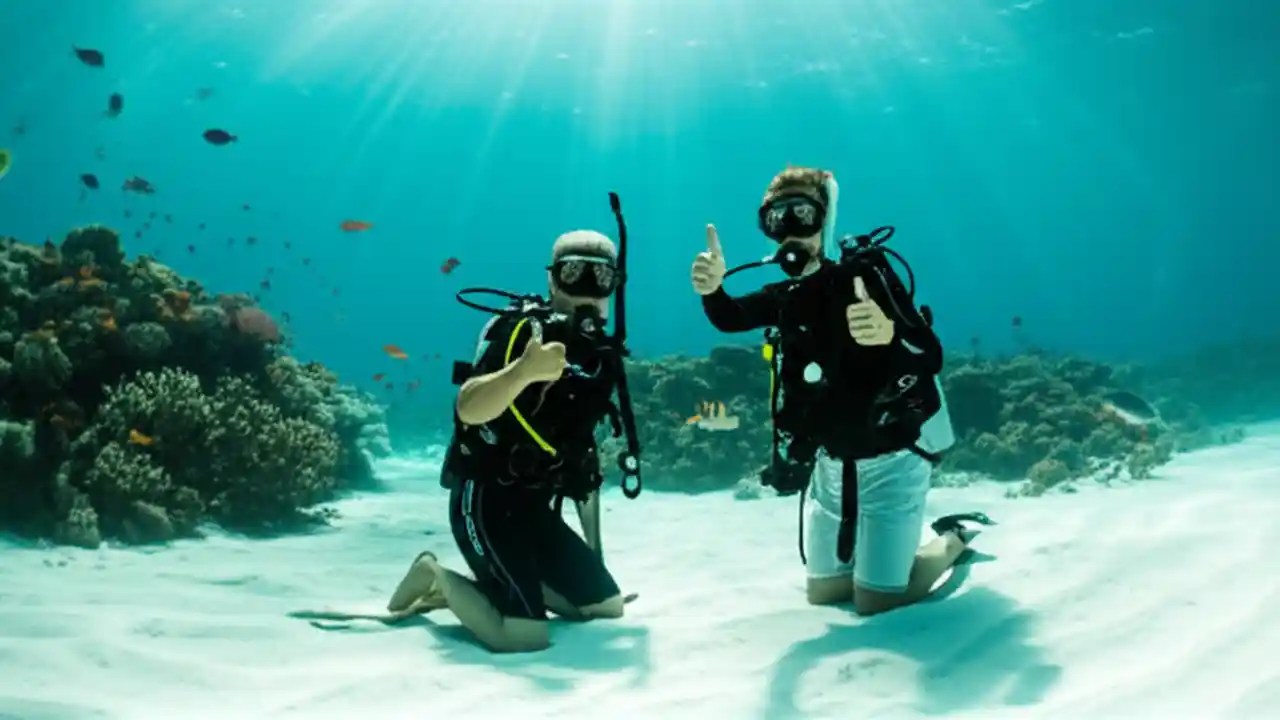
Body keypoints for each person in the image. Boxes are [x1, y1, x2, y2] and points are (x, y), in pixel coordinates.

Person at [690, 166, 992, 616]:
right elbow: (730, 317)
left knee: (874, 601)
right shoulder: (786, 294)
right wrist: (712, 290)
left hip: (892, 457)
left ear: (825, 219)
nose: (790, 229)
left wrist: (888, 332)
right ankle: (885, 553)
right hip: (831, 464)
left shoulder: (865, 276)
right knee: (826, 594)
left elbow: (928, 355)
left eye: (802, 214)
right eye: (778, 218)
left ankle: (953, 537)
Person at [385, 211, 645, 653]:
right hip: (485, 500)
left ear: (614, 286)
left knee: (606, 607)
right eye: (572, 273)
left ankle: (507, 586)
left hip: (534, 510)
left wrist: (592, 565)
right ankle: (436, 575)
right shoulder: (519, 332)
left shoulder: (601, 358)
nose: (585, 289)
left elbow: (584, 465)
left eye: (599, 276)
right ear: (552, 281)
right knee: (524, 637)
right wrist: (523, 372)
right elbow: (468, 407)